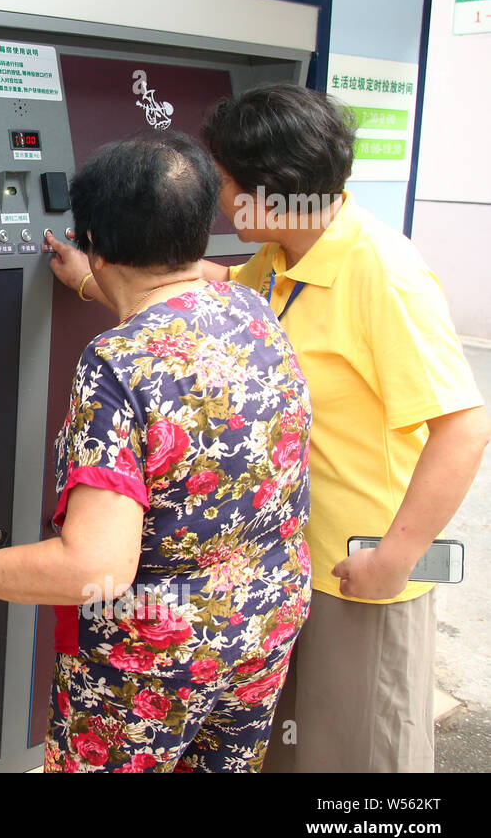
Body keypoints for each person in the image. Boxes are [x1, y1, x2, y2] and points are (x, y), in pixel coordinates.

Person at [47, 82, 490, 772]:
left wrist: (394, 558)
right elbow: (181, 298)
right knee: (295, 755)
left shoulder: (383, 272)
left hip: (362, 572)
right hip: (282, 572)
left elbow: (464, 428)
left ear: (269, 192)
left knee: (363, 761)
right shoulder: (282, 262)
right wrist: (92, 274)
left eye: (224, 182)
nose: (218, 200)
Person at [0, 130, 313, 772]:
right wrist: (92, 284)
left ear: (93, 241)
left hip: (152, 666)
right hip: (261, 625)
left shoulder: (116, 366)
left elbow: (91, 566)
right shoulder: (253, 308)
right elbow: (172, 314)